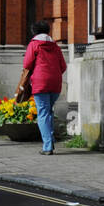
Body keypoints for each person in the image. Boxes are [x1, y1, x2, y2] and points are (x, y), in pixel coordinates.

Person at [18, 20, 66, 155]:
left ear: (34, 32)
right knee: (48, 112)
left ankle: (47, 146)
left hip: (40, 82)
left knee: (43, 113)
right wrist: (53, 74)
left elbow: (27, 64)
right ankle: (50, 140)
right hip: (55, 82)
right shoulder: (55, 46)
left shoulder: (34, 45)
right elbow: (63, 66)